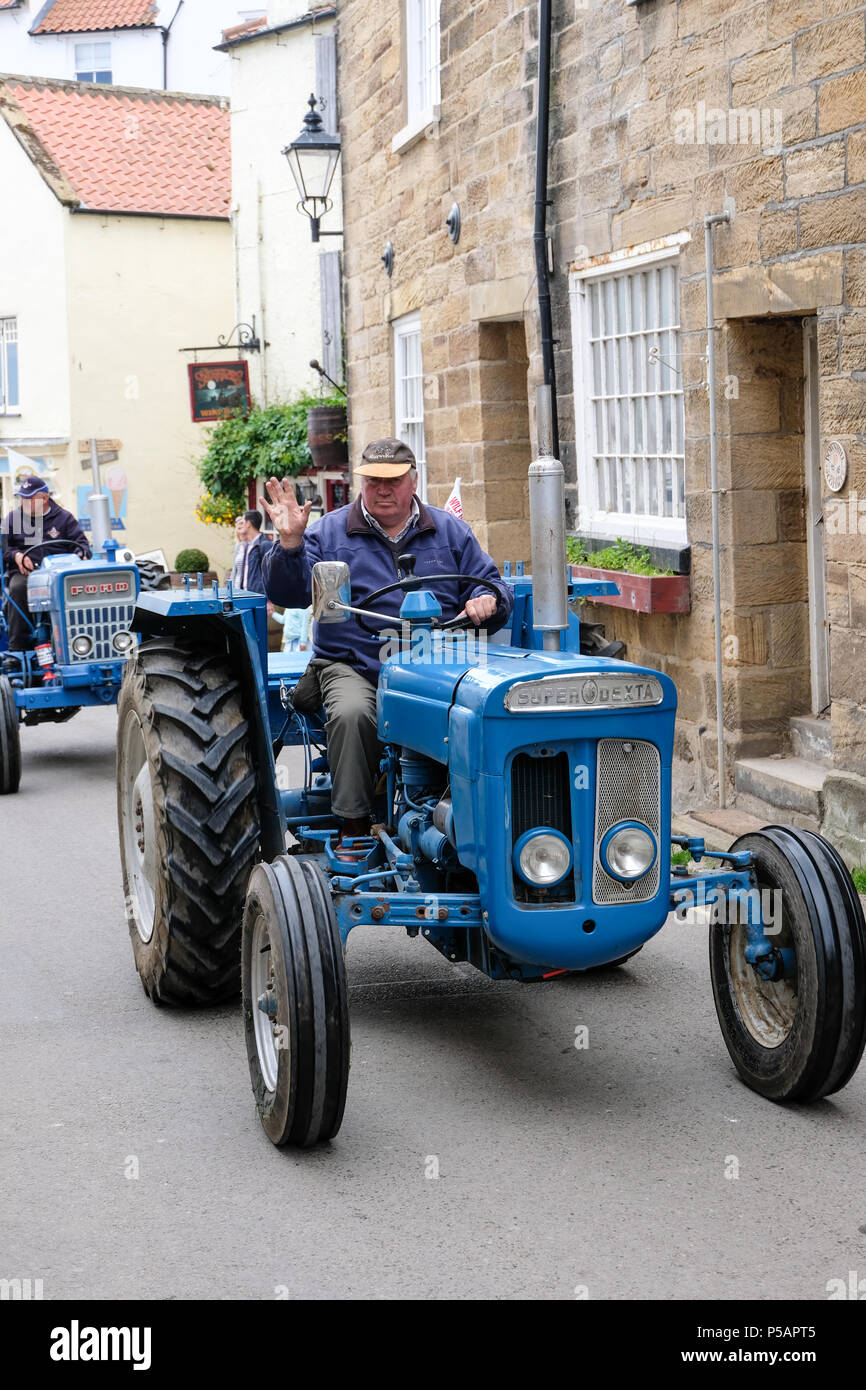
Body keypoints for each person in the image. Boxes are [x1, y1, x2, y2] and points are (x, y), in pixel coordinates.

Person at [261, 438, 513, 859]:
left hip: (438, 665)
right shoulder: (327, 533)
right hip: (355, 663)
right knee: (353, 712)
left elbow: (493, 586)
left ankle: (487, 819)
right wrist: (289, 544)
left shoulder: (448, 531)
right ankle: (355, 823)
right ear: (360, 482)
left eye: (393, 480)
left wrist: (490, 601)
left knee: (483, 712)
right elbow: (289, 592)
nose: (382, 489)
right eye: (373, 480)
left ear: (413, 479)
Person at [2, 475, 91, 650]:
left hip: (60, 575)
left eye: (29, 498)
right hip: (27, 574)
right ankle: (17, 647)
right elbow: (5, 549)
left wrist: (81, 554)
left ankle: (80, 641)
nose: (24, 502)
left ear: (44, 498)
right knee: (17, 588)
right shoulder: (13, 519)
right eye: (23, 498)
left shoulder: (65, 518)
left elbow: (82, 545)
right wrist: (17, 556)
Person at [233, 509, 267, 595]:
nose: (240, 525)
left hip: (258, 597)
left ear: (248, 524)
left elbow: (271, 576)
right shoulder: (247, 545)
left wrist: (268, 601)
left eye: (243, 522)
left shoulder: (264, 544)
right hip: (245, 595)